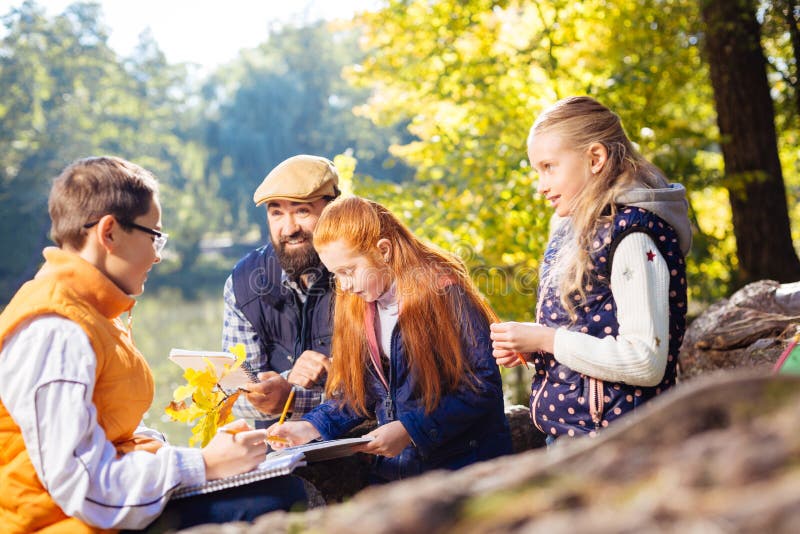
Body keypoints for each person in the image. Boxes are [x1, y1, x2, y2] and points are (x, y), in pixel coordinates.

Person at [0, 156, 305, 533]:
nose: (158, 255)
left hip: (99, 511)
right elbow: (82, 486)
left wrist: (209, 457)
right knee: (269, 502)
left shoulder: (92, 313)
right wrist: (203, 465)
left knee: (277, 488)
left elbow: (117, 433)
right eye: (154, 236)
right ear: (109, 233)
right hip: (59, 523)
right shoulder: (55, 330)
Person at [267, 196, 512, 481]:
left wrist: (410, 430)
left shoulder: (445, 295)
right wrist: (311, 426)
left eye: (349, 271)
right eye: (336, 275)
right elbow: (361, 391)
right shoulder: (361, 304)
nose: (344, 285)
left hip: (464, 471)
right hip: (400, 473)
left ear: (383, 250)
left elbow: (482, 385)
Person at [489, 96, 692, 441]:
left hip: (621, 444)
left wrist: (547, 338)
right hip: (574, 436)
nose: (541, 186)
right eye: (537, 171)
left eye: (549, 167)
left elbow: (645, 361)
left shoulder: (632, 236)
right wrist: (535, 346)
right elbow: (588, 330)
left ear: (595, 158)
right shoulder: (572, 229)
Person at [223, 155, 340, 429]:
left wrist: (294, 398)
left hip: (360, 444)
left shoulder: (361, 273)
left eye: (302, 211)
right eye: (276, 213)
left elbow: (384, 391)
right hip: (280, 447)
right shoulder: (242, 284)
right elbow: (233, 394)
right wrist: (284, 385)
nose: (289, 229)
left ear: (334, 209)